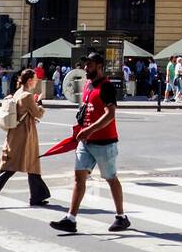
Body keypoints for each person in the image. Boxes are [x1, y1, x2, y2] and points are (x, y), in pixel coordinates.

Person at [51, 51, 128, 233]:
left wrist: (90, 128)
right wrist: (81, 127)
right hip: (86, 142)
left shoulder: (107, 87)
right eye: (86, 64)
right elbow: (87, 109)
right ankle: (71, 218)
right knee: (79, 178)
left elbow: (110, 114)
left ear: (99, 66)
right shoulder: (87, 86)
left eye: (90, 65)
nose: (86, 68)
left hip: (105, 142)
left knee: (110, 178)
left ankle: (121, 216)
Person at [0, 68, 50, 208]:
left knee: (32, 164)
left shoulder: (18, 93)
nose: (36, 81)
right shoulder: (27, 96)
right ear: (30, 80)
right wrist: (40, 102)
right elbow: (37, 114)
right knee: (11, 166)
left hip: (20, 133)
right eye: (35, 79)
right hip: (24, 135)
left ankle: (38, 195)